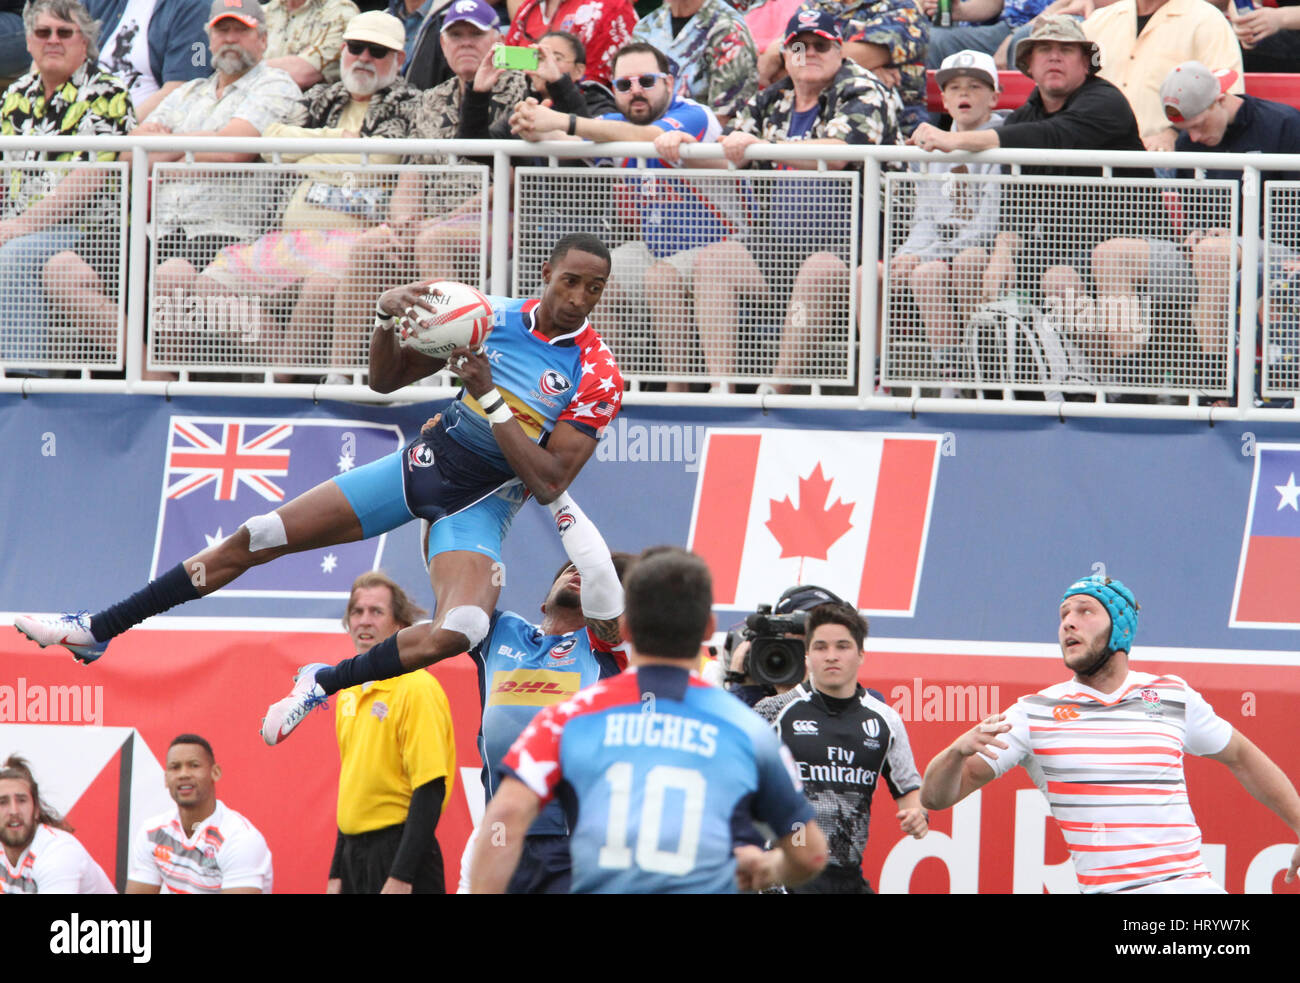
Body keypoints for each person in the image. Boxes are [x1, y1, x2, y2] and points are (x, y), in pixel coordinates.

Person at [16, 235, 624, 744]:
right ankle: (99, 628)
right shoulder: (483, 317)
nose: (578, 298)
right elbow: (384, 381)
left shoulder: (597, 372)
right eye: (569, 281)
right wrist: (386, 317)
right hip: (420, 468)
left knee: (460, 630)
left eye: (592, 289)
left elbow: (547, 481)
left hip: (481, 506)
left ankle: (321, 681)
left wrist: (488, 397)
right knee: (261, 534)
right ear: (545, 274)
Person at [470, 546, 829, 893]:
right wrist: (767, 869)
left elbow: (506, 817)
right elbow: (808, 850)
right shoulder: (745, 730)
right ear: (708, 629)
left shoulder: (569, 718)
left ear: (623, 628)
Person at [921, 574, 1300, 893]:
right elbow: (936, 798)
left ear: (1120, 626)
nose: (1069, 621)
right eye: (1064, 614)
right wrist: (954, 754)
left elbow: (1243, 756)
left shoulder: (1170, 694)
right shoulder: (1032, 713)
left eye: (1085, 611)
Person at [39, 0, 300, 379]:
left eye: (241, 30)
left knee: (173, 274)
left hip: (227, 232)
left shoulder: (275, 84)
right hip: (156, 230)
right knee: (62, 269)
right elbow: (129, 158)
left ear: (262, 38)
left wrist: (169, 145)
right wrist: (196, 146)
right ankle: (150, 378)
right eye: (222, 30)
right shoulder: (187, 92)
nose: (230, 39)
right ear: (208, 37)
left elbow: (232, 150)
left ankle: (175, 392)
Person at [656, 10, 904, 392]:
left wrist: (762, 145)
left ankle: (774, 392)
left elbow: (838, 154)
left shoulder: (863, 87)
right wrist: (680, 150)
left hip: (858, 241)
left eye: (822, 45)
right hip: (781, 241)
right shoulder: (773, 97)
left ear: (840, 51)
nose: (810, 53)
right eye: (799, 47)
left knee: (818, 269)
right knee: (712, 261)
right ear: (786, 56)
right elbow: (730, 153)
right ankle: (722, 390)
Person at [909, 16, 1170, 375]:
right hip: (1059, 256)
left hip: (1141, 252)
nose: (1054, 57)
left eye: (1066, 50)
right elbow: (1015, 203)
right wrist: (1002, 252)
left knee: (1076, 273)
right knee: (974, 266)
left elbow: (1053, 135)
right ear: (1028, 65)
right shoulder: (1022, 119)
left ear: (1085, 62)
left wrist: (955, 140)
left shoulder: (1105, 101)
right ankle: (978, 381)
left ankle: (1121, 386)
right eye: (1044, 50)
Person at [512, 41, 760, 388]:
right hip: (660, 252)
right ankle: (611, 388)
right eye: (624, 85)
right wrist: (532, 122)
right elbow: (564, 136)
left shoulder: (693, 113)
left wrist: (564, 121)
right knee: (598, 274)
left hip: (729, 251)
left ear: (670, 83)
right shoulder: (614, 123)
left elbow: (643, 136)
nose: (636, 92)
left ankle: (691, 392)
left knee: (662, 276)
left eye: (646, 80)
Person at [195, 10, 423, 380]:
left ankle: (286, 385)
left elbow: (383, 158)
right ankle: (285, 369)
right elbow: (271, 144)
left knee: (321, 284)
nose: (364, 58)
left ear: (399, 59)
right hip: (293, 239)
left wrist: (309, 155)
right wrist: (347, 145)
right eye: (356, 47)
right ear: (344, 50)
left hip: (358, 240)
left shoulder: (410, 101)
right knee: (209, 284)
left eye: (377, 51)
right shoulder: (322, 95)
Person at [456, 494, 633, 893]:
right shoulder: (501, 632)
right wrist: (437, 500)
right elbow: (453, 579)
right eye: (568, 568)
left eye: (586, 571)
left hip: (578, 843)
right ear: (543, 598)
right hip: (500, 837)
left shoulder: (610, 648)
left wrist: (553, 491)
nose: (578, 571)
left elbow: (600, 573)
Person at [753, 602, 927, 893]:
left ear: (861, 654)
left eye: (842, 646)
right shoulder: (773, 711)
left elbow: (908, 789)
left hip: (847, 878)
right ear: (807, 654)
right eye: (820, 647)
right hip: (786, 875)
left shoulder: (885, 719)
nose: (831, 656)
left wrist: (917, 815)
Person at [0, 0, 134, 368]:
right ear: (28, 41)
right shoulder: (15, 95)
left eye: (64, 32)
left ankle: (22, 387)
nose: (52, 41)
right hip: (17, 227)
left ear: (85, 40)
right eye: (43, 33)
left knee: (12, 257)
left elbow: (87, 182)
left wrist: (19, 226)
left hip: (87, 233)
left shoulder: (108, 93)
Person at [1160, 61, 1300, 365]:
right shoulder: (1187, 143)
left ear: (1221, 100)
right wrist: (1194, 233)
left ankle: (1214, 379)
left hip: (1279, 247)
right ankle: (1127, 388)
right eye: (1186, 130)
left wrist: (1239, 236)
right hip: (1212, 251)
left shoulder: (1284, 124)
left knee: (1212, 253)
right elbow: (1195, 213)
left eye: (1198, 125)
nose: (1193, 138)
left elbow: (1295, 214)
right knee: (1111, 254)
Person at [328, 572, 456, 894]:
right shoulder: (349, 691)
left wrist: (402, 875)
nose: (364, 621)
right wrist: (336, 872)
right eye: (356, 612)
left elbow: (431, 787)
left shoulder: (416, 686)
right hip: (355, 856)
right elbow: (355, 789)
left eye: (376, 612)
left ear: (400, 625)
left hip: (400, 853)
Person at [890, 50, 1003, 388]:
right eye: (953, 88)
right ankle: (889, 377)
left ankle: (979, 372)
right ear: (943, 98)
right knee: (877, 272)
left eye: (975, 86)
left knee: (946, 266)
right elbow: (925, 217)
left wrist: (927, 256)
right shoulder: (932, 148)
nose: (963, 94)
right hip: (941, 250)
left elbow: (988, 227)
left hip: (983, 252)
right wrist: (908, 253)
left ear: (995, 97)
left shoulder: (1005, 145)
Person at [1082, 0, 1243, 154]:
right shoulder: (1098, 21)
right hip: (1092, 152)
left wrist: (1173, 133)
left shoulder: (1208, 20)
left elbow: (1225, 98)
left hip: (1165, 156)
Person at [126, 734, 274, 893]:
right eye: (175, 767)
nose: (183, 774)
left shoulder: (240, 838)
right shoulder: (153, 833)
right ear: (166, 779)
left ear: (215, 773)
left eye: (194, 765)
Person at [631, 0, 758, 125]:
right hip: (646, 135)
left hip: (701, 140)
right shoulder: (646, 27)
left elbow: (724, 117)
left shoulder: (728, 29)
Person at [0, 755, 114, 894]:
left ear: (36, 809)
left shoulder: (59, 852)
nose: (14, 811)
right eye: (3, 802)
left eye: (21, 800)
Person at [85, 0, 209, 120]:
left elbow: (184, 89)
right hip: (85, 121)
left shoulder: (194, 6)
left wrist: (119, 128)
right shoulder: (97, 3)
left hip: (142, 132)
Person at [504, 0, 637, 87]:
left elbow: (593, 85)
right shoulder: (528, 7)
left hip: (581, 116)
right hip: (522, 110)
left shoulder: (610, 7)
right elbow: (508, 65)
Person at [923, 0, 1054, 68]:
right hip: (1005, 27)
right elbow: (995, 3)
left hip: (1050, 29)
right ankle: (927, 118)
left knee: (1020, 40)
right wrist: (961, 11)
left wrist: (1014, 36)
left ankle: (1023, 118)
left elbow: (1071, 5)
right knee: (935, 38)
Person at [263, 0, 362, 89]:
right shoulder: (266, 10)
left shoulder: (341, 11)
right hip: (256, 99)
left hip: (311, 105)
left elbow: (301, 74)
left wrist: (251, 68)